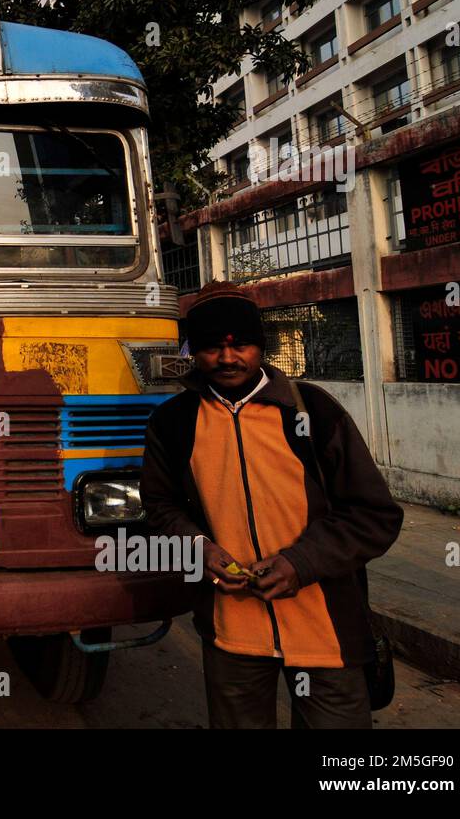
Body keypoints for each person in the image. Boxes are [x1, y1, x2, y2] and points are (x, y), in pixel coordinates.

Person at [141, 282, 402, 729]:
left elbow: (375, 515)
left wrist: (300, 563)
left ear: (260, 346)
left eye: (241, 345)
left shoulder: (313, 412)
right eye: (211, 348)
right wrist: (197, 549)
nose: (228, 359)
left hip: (326, 633)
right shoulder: (173, 423)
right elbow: (160, 506)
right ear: (194, 352)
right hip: (232, 635)